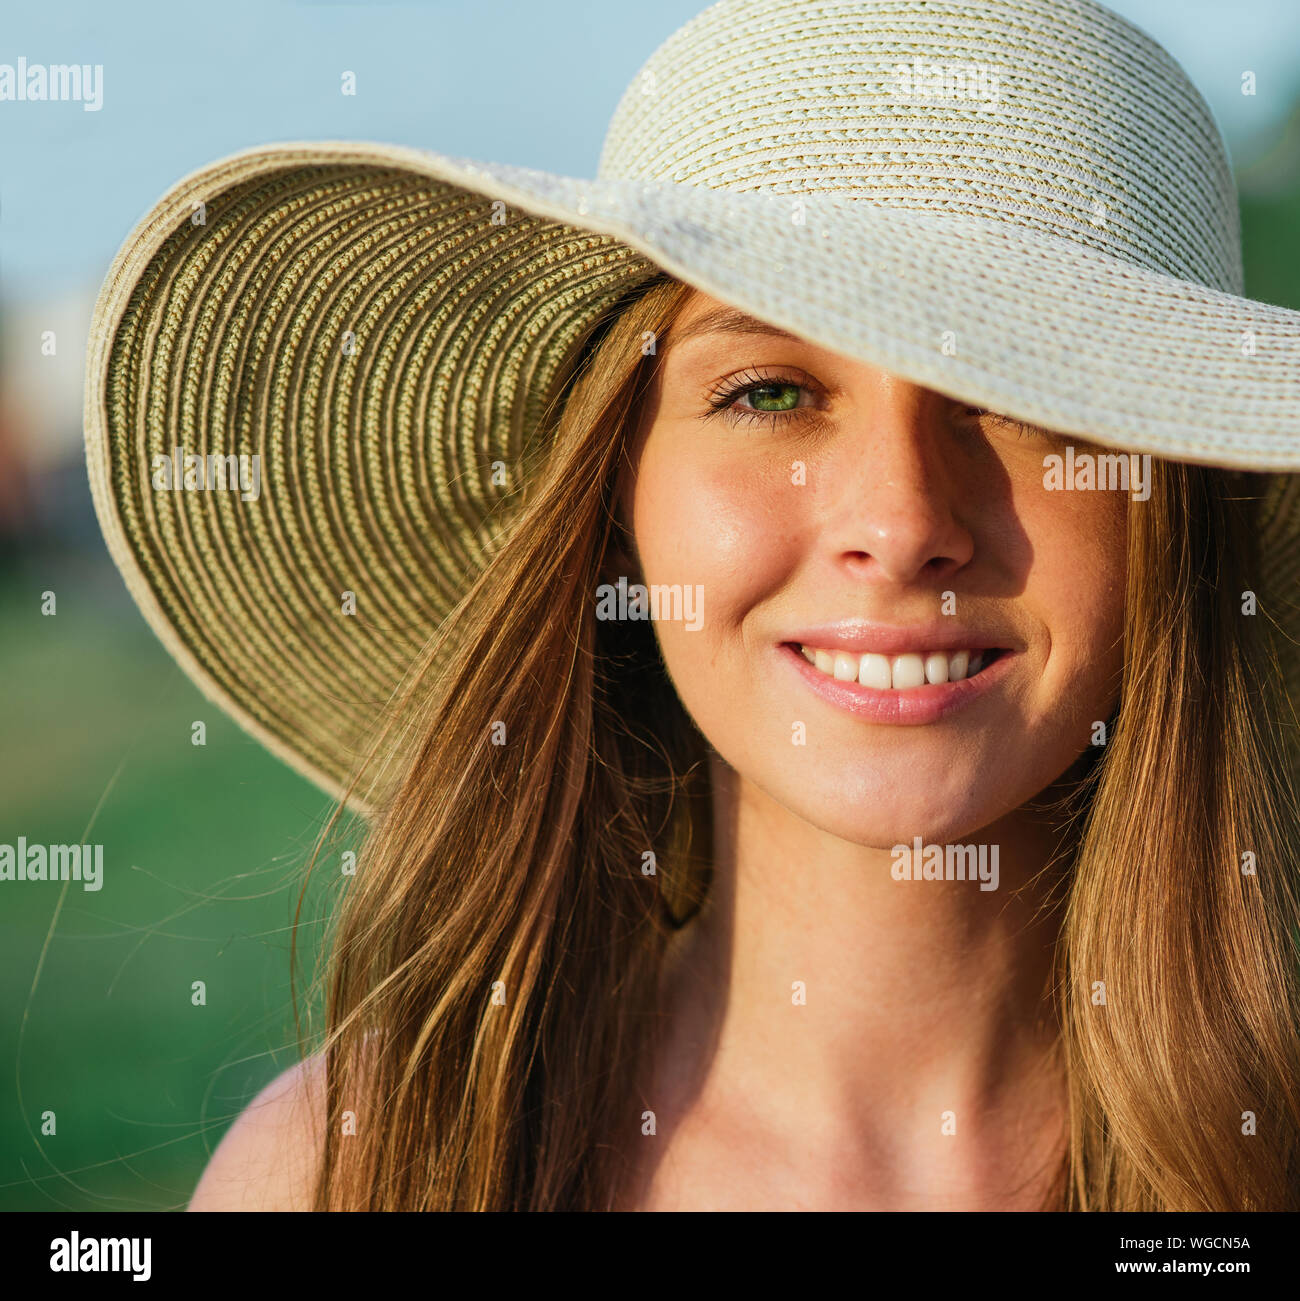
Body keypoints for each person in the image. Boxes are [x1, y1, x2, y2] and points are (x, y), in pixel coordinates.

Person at [85, 0, 1300, 1211]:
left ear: (1170, 504)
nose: (900, 519)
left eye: (1025, 390)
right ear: (621, 498)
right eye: (769, 391)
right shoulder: (353, 1172)